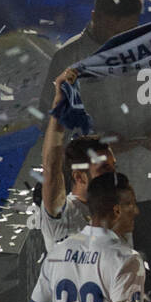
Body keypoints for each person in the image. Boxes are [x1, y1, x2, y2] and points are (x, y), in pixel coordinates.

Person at [40, 0, 151, 302]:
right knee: (99, 280)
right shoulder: (68, 58)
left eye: (130, 30)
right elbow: (50, 118)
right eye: (114, 30)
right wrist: (96, 141)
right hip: (90, 192)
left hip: (144, 186)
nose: (122, 38)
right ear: (95, 16)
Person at [28, 172, 145, 302]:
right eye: (131, 204)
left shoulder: (58, 251)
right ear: (116, 211)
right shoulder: (126, 260)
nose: (137, 211)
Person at [37, 68, 116, 252]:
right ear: (79, 177)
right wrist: (59, 106)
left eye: (114, 167)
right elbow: (51, 168)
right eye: (105, 169)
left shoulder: (116, 212)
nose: (113, 177)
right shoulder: (65, 212)